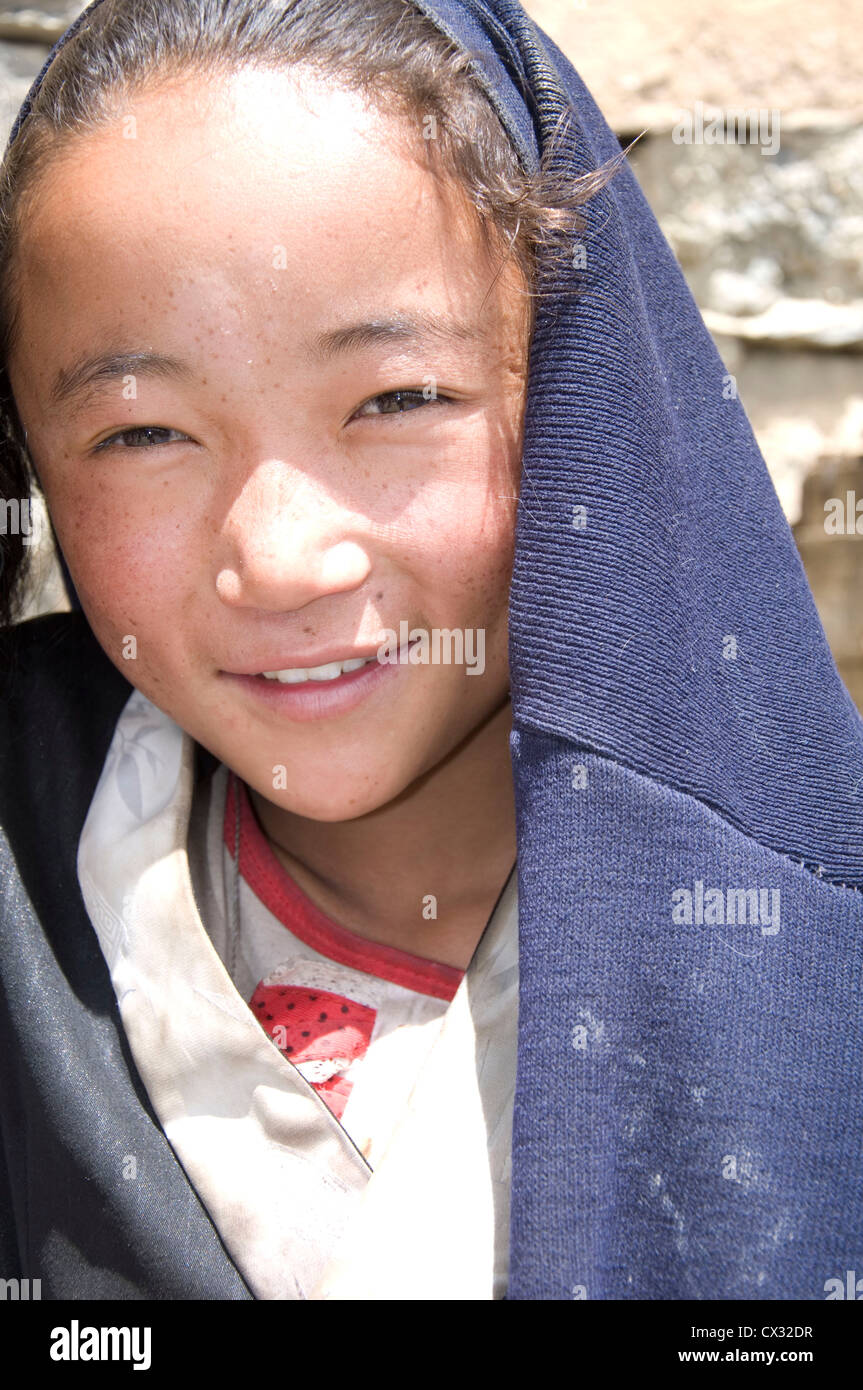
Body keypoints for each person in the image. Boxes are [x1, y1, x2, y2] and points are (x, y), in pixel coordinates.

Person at [0, 0, 860, 1303]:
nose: (282, 556)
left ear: (575, 385)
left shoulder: (809, 987)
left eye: (399, 400)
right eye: (142, 432)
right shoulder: (27, 870)